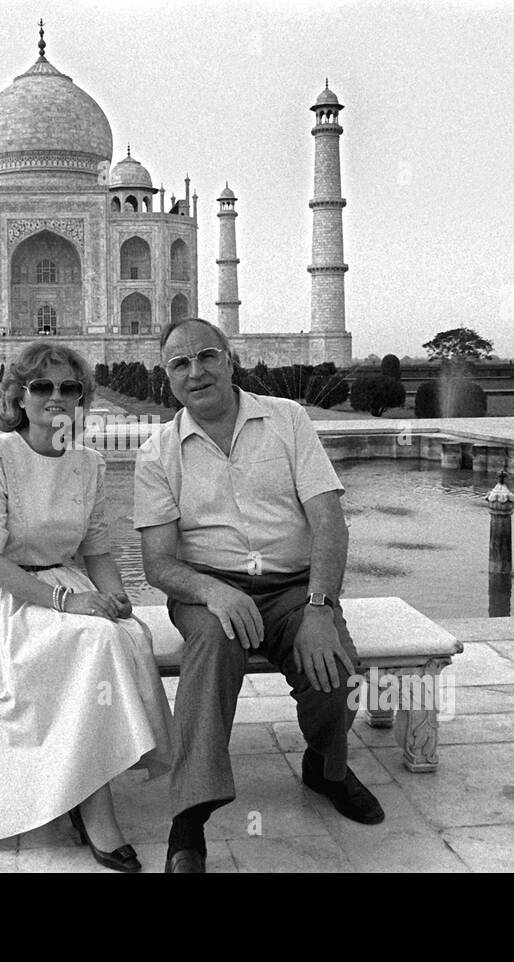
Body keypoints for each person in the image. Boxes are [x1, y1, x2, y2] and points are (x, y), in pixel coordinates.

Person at [133, 317, 383, 874]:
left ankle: (326, 767)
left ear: (230, 359)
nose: (195, 372)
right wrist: (213, 592)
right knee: (212, 653)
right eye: (180, 364)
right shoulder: (157, 454)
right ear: (167, 378)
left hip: (294, 589)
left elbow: (330, 523)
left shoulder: (288, 420)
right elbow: (159, 564)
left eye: (206, 357)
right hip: (208, 590)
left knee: (335, 670)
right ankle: (188, 820)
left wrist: (320, 608)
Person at [0, 341, 172, 872]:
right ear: (19, 395)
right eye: (43, 387)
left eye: (69, 388)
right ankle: (97, 810)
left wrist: (116, 596)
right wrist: (70, 601)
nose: (56, 398)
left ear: (82, 398)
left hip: (62, 588)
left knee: (129, 633)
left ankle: (83, 781)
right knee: (97, 641)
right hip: (2, 601)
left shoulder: (88, 463)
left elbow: (98, 548)